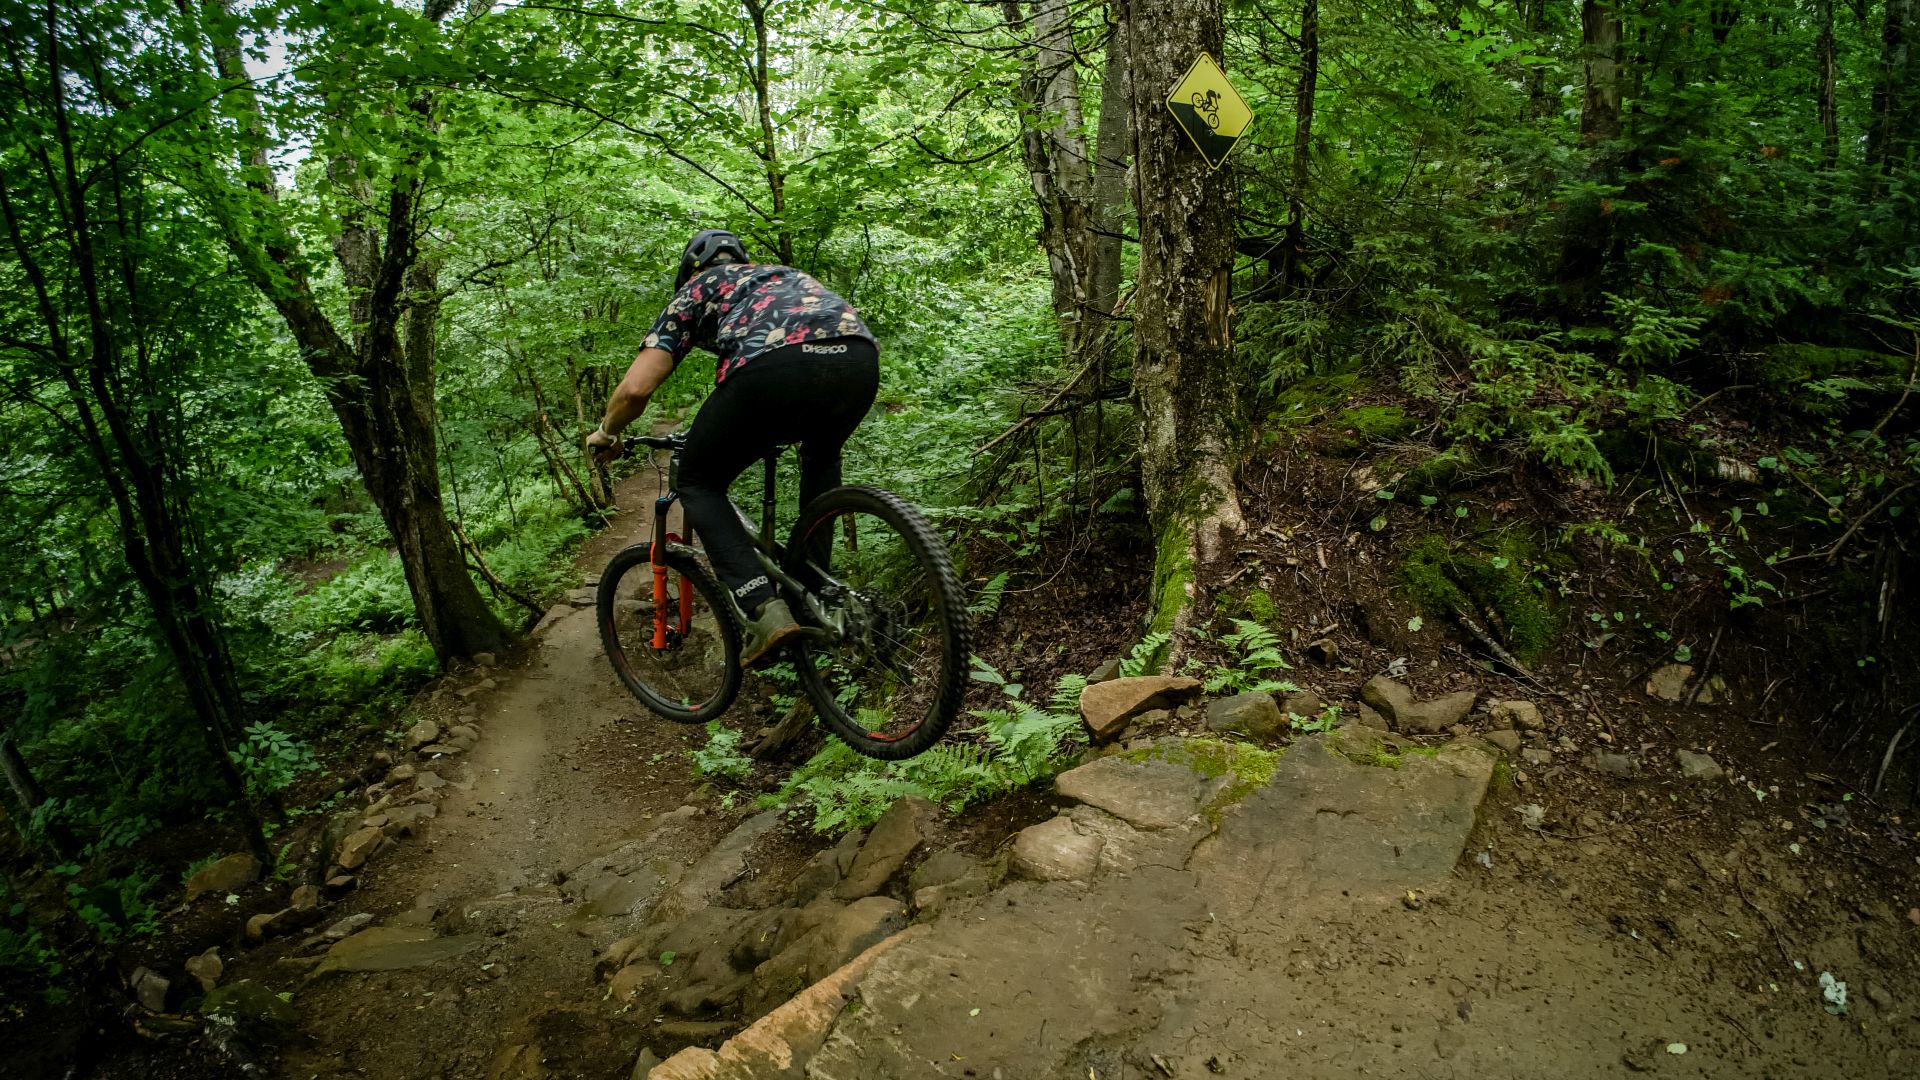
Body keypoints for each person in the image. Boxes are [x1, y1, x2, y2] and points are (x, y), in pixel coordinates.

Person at [586, 230, 880, 666]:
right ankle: (815, 595)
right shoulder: (783, 276)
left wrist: (606, 432)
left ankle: (761, 607)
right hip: (859, 359)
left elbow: (635, 389)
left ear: (690, 271)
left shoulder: (696, 289)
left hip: (773, 366)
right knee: (821, 461)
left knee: (698, 481)